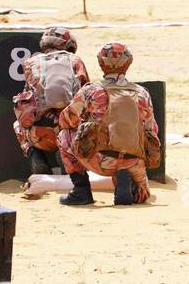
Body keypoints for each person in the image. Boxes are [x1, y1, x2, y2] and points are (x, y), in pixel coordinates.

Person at [57, 42, 161, 206]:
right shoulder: (142, 93)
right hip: (135, 160)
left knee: (64, 135)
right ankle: (129, 181)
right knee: (141, 197)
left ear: (101, 63)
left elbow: (66, 119)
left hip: (101, 161)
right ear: (128, 64)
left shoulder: (91, 91)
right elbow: (151, 129)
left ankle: (81, 190)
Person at [12, 26, 90, 176]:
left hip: (38, 135)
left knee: (17, 125)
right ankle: (66, 155)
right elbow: (87, 92)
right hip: (69, 134)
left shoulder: (30, 63)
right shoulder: (76, 61)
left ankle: (35, 155)